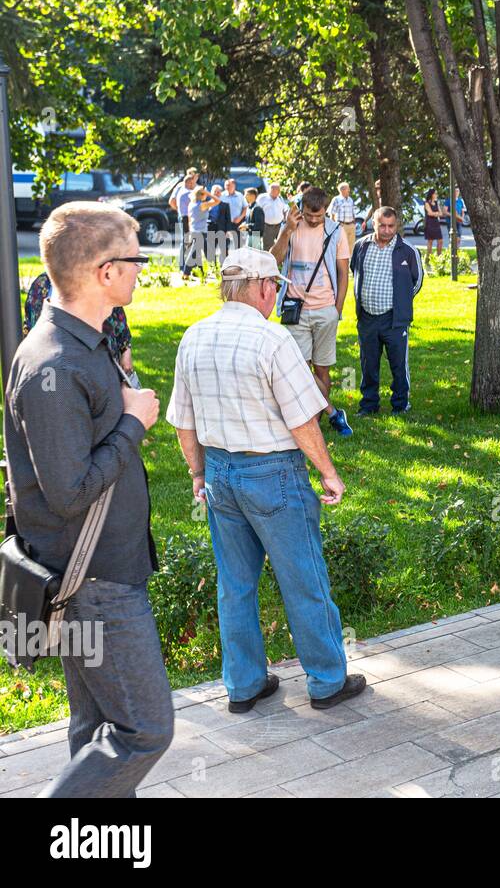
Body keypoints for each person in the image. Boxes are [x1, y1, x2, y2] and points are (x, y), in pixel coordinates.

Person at [5, 202, 171, 796]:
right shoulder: (54, 362)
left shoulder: (87, 341)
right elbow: (70, 492)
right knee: (145, 729)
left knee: (97, 728)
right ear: (106, 272)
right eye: (135, 258)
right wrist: (134, 424)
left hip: (97, 573)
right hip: (94, 583)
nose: (140, 270)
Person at [166, 247, 366, 714]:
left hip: (219, 472)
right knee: (303, 578)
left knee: (234, 584)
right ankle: (326, 681)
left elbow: (183, 422)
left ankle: (244, 685)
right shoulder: (273, 340)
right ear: (261, 288)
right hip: (273, 473)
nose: (276, 294)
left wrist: (198, 471)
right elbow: (303, 419)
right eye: (275, 285)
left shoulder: (192, 337)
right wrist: (328, 473)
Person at [269, 186, 354, 437]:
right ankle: (331, 413)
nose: (314, 220)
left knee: (322, 369)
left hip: (325, 309)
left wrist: (336, 309)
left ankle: (315, 419)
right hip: (296, 309)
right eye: (309, 215)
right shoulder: (292, 228)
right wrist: (286, 230)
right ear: (302, 209)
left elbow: (343, 273)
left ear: (326, 210)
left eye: (318, 216)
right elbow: (274, 259)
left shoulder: (335, 231)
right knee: (299, 367)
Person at [351, 206, 424, 415]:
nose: (386, 230)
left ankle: (400, 405)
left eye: (391, 226)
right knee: (368, 363)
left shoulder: (408, 251)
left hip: (394, 318)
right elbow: (355, 270)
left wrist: (401, 301)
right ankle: (369, 405)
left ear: (396, 225)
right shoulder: (361, 246)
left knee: (399, 364)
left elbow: (417, 281)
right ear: (373, 224)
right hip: (367, 317)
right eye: (381, 225)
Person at [24, 272, 135, 380]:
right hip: (66, 367)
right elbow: (34, 327)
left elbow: (117, 316)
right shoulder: (44, 283)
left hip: (107, 364)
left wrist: (126, 349)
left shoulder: (97, 276)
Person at [184, 185, 220, 281]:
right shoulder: (202, 205)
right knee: (196, 253)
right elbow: (217, 201)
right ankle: (185, 273)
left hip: (194, 231)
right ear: (202, 195)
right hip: (200, 232)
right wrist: (208, 193)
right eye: (205, 194)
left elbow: (189, 220)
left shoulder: (191, 204)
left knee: (205, 253)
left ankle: (210, 271)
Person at [327, 182, 359, 255]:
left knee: (351, 246)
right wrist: (335, 226)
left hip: (351, 225)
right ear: (342, 190)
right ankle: (340, 264)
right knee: (341, 246)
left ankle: (350, 264)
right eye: (348, 189)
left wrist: (354, 223)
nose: (349, 190)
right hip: (341, 225)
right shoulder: (336, 199)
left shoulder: (350, 199)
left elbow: (353, 212)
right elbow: (332, 213)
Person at [256, 182, 289, 247]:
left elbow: (284, 209)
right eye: (275, 189)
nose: (277, 191)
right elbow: (257, 210)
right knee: (267, 245)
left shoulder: (280, 198)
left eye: (278, 190)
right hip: (267, 226)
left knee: (280, 244)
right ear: (270, 190)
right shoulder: (262, 198)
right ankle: (267, 257)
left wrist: (285, 218)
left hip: (279, 225)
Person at [422, 188, 445, 256]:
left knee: (440, 241)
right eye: (435, 193)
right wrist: (437, 213)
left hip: (436, 224)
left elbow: (441, 213)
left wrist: (435, 213)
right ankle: (428, 258)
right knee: (430, 241)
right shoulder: (427, 203)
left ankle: (439, 256)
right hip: (430, 224)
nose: (436, 195)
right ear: (431, 194)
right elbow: (430, 213)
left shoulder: (436, 202)